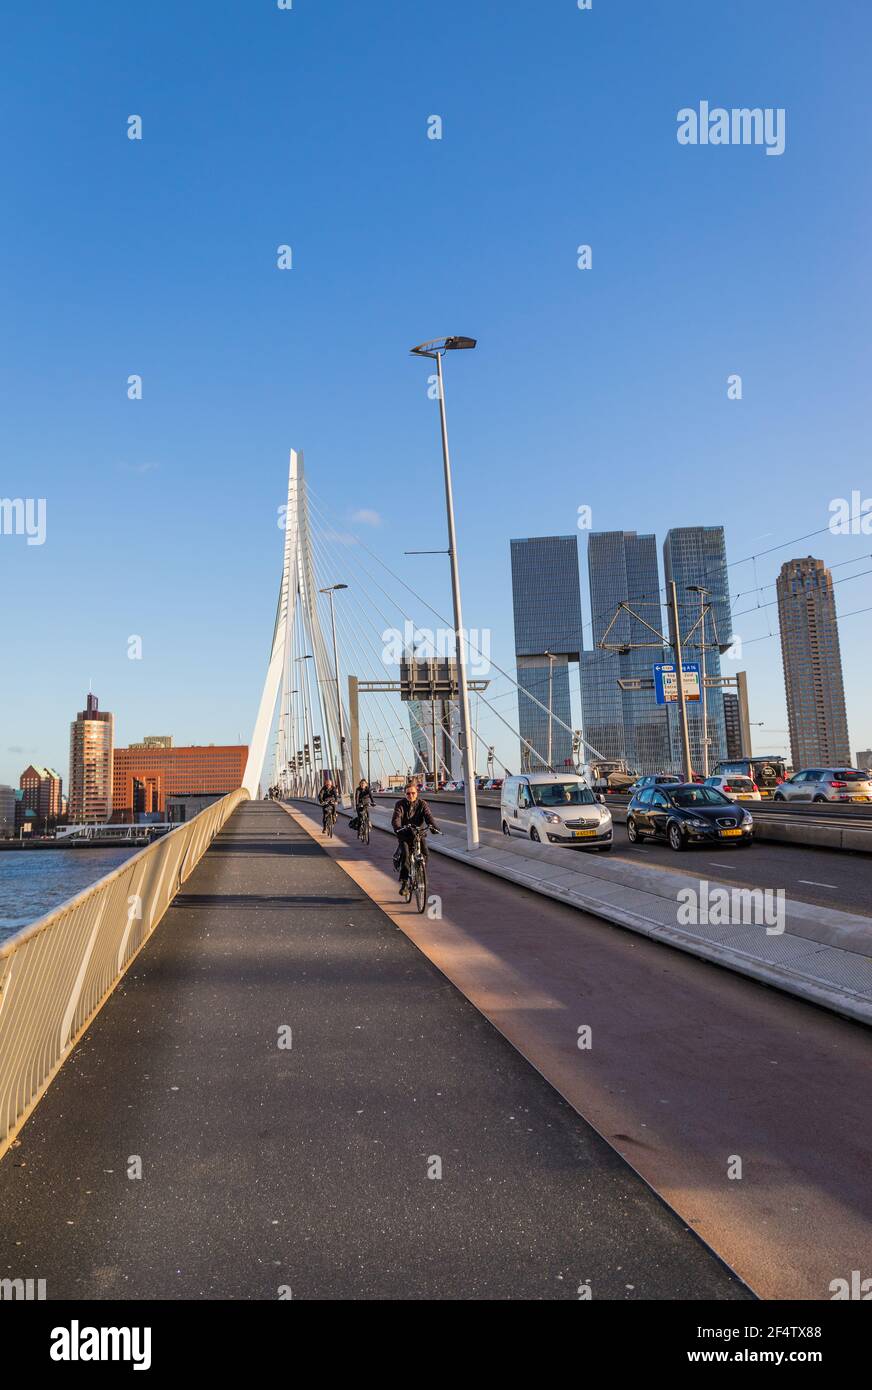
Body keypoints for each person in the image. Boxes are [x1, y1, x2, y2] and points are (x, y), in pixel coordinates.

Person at [391, 781, 439, 896]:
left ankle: (420, 872)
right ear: (405, 794)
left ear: (417, 793)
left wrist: (434, 827)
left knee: (426, 853)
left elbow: (428, 816)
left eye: (413, 793)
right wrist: (398, 827)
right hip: (405, 834)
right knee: (406, 855)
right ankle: (404, 883)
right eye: (408, 794)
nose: (410, 795)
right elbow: (396, 818)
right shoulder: (400, 804)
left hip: (418, 834)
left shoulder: (422, 804)